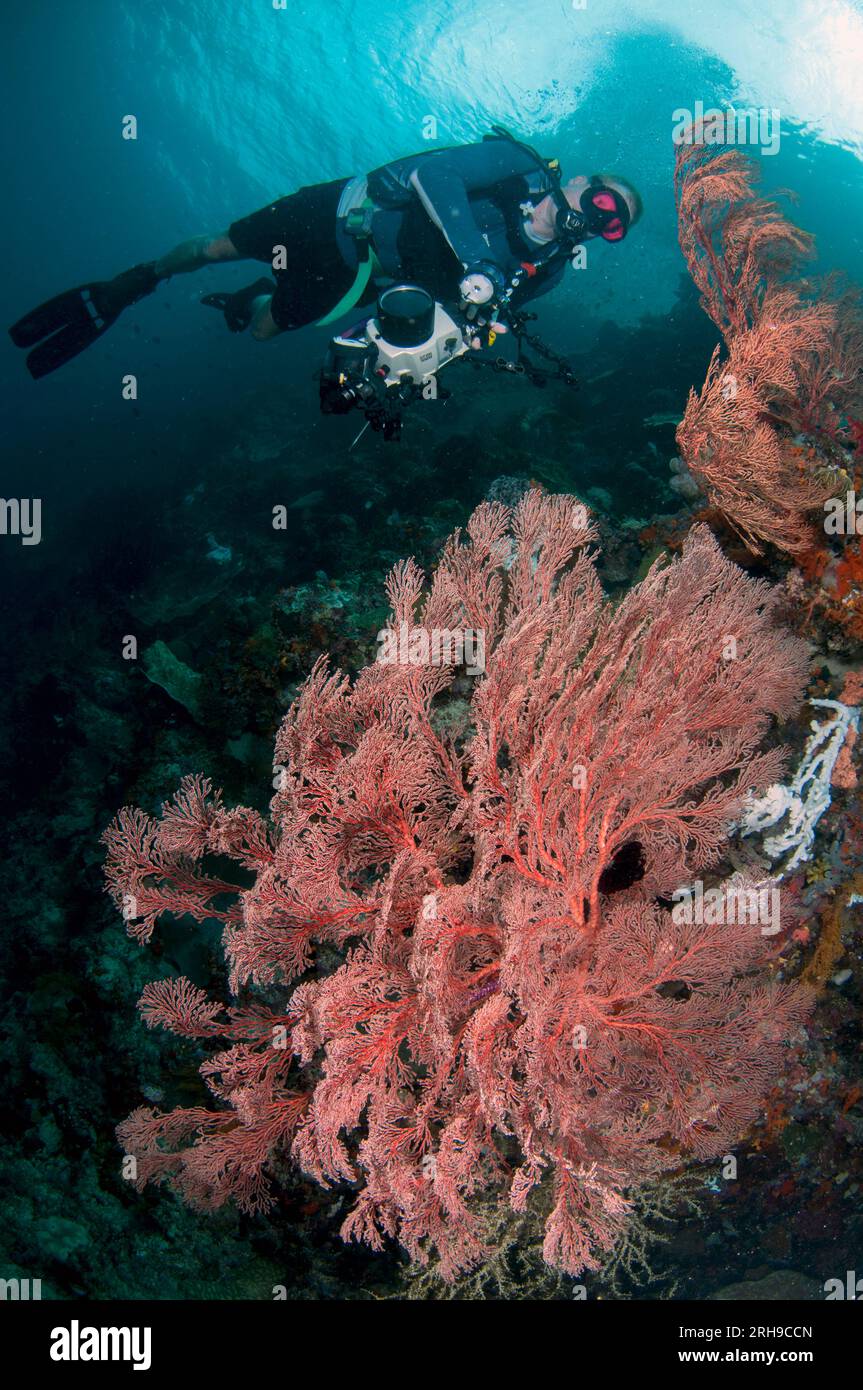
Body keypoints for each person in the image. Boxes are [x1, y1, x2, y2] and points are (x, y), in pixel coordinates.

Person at [8, 130, 642, 378]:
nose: (600, 220)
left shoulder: (548, 269)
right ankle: (139, 279)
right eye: (607, 202)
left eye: (615, 228)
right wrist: (477, 258)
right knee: (215, 245)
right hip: (338, 212)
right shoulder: (516, 164)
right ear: (584, 181)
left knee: (260, 331)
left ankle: (251, 298)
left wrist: (398, 362)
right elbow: (434, 177)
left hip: (360, 275)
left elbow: (465, 319)